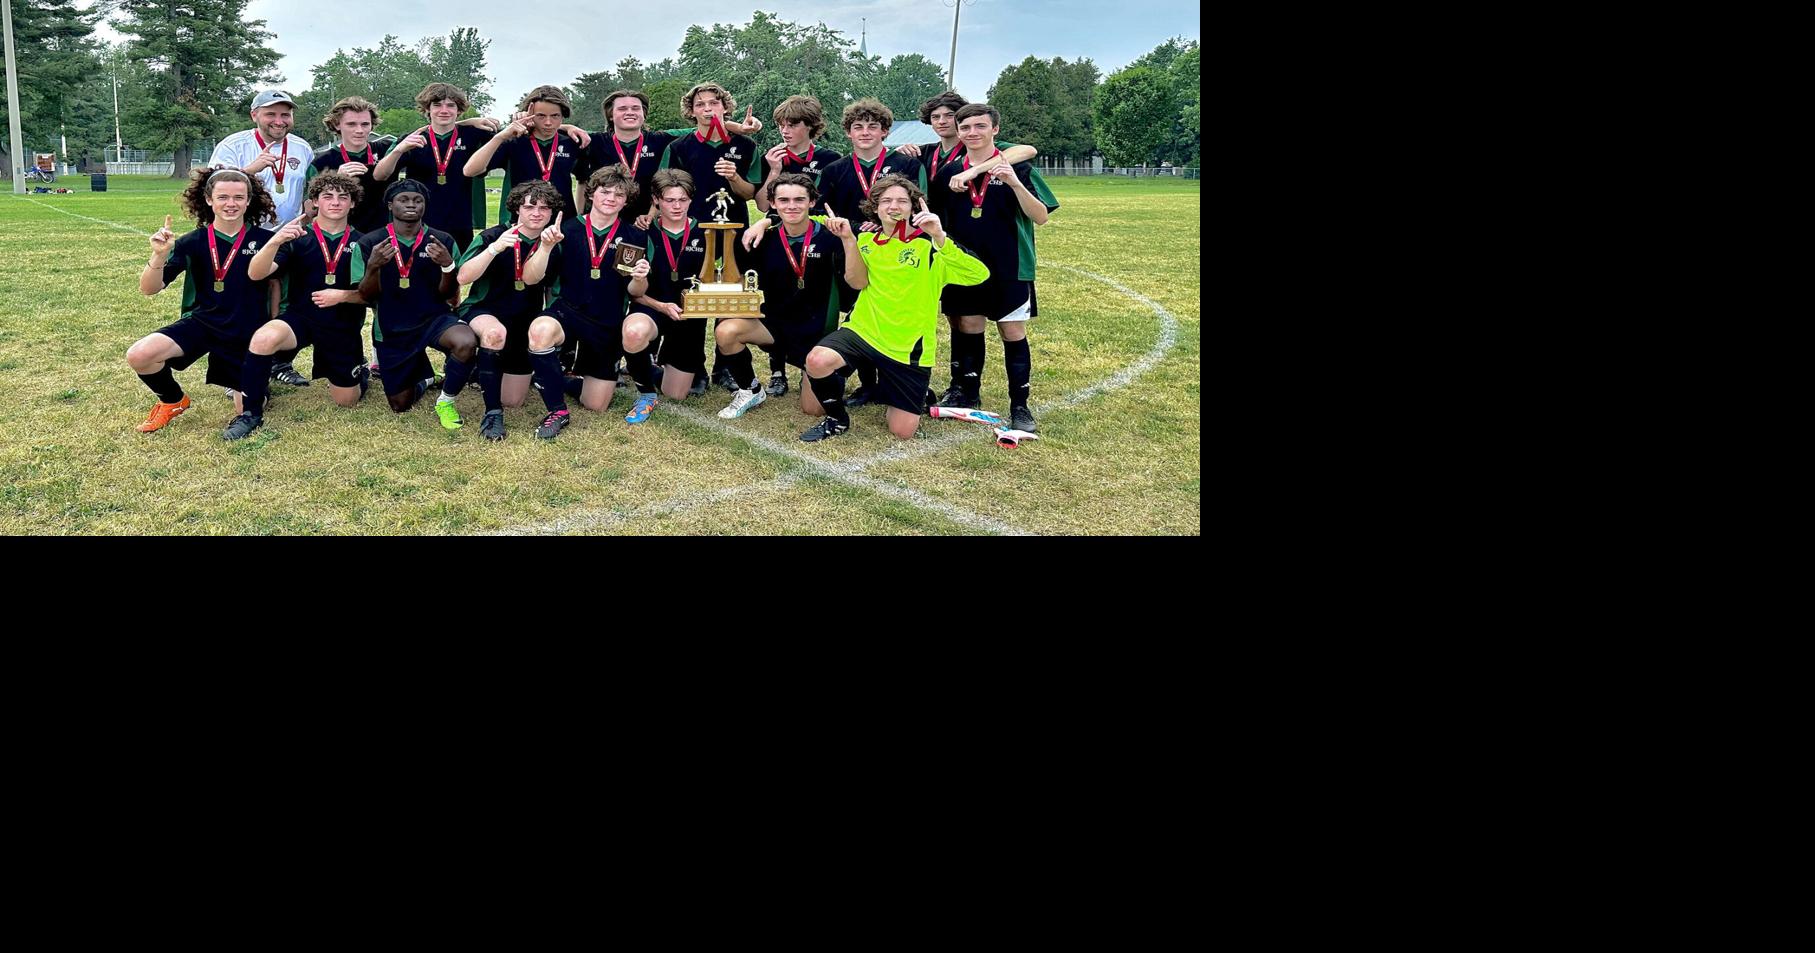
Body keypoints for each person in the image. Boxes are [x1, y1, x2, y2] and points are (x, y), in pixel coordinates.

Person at [797, 174, 987, 442]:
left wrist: (939, 235)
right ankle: (837, 417)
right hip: (863, 331)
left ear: (913, 207)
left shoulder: (930, 245)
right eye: (886, 200)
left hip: (908, 346)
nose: (893, 206)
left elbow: (978, 275)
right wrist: (848, 240)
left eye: (902, 201)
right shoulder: (865, 239)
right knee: (815, 372)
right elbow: (856, 280)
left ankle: (907, 391)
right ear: (875, 207)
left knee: (902, 432)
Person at [928, 103, 1059, 434]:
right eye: (966, 127)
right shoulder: (949, 174)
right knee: (968, 325)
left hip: (1009, 266)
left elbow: (1041, 217)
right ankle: (967, 393)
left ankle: (1020, 405)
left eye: (980, 126)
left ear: (994, 130)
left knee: (1012, 331)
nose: (973, 133)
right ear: (958, 133)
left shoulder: (1019, 168)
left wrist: (1014, 183)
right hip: (965, 267)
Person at [125, 169, 277, 435]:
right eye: (223, 197)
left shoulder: (266, 241)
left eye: (239, 197)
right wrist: (159, 256)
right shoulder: (191, 242)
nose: (231, 204)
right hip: (204, 322)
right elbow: (149, 288)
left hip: (246, 331)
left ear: (249, 200)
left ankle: (258, 378)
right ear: (209, 200)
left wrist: (271, 330)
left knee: (247, 408)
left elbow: (276, 287)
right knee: (140, 355)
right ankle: (172, 400)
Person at [806, 98, 927, 408]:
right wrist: (854, 228)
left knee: (890, 315)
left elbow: (920, 209)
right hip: (851, 253)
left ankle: (894, 380)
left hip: (896, 256)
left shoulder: (907, 164)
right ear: (848, 132)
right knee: (858, 316)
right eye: (858, 127)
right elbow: (818, 210)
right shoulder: (835, 169)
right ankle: (868, 385)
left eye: (873, 126)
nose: (865, 132)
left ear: (885, 131)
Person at [235, 171, 373, 440]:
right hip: (300, 319)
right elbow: (256, 274)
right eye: (327, 196)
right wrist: (275, 240)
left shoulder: (365, 242)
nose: (335, 202)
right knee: (263, 338)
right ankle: (250, 413)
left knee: (347, 401)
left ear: (353, 203)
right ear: (315, 202)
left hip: (341, 325)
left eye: (343, 197)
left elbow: (373, 294)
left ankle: (360, 370)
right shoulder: (297, 237)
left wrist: (343, 296)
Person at [522, 166, 655, 438]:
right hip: (567, 311)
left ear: (626, 200)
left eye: (619, 194)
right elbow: (530, 278)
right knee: (540, 331)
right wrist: (546, 247)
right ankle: (557, 411)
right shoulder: (566, 230)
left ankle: (559, 380)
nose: (611, 198)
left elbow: (635, 290)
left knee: (596, 405)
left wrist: (640, 277)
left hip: (606, 321)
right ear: (592, 193)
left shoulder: (634, 237)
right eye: (605, 191)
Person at [713, 173, 859, 420]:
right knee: (726, 330)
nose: (791, 206)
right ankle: (750, 389)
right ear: (773, 203)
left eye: (799, 199)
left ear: (812, 202)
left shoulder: (832, 237)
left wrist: (849, 240)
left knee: (813, 410)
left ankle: (825, 370)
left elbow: (857, 276)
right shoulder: (762, 238)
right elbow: (739, 279)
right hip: (774, 327)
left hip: (817, 332)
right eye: (784, 200)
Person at [208, 89, 316, 388]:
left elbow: (305, 188)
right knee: (244, 303)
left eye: (285, 114)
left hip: (288, 236)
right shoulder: (234, 145)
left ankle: (280, 362)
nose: (279, 121)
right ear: (254, 115)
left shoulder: (301, 147)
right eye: (271, 114)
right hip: (244, 238)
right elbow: (212, 185)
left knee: (286, 302)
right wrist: (249, 170)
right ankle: (236, 370)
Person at [353, 180, 476, 429]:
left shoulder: (442, 240)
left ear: (425, 205)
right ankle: (426, 378)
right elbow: (366, 296)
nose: (411, 204)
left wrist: (447, 266)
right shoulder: (370, 243)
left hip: (434, 319)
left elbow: (449, 294)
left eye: (417, 200)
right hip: (392, 326)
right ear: (390, 205)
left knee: (466, 342)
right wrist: (374, 266)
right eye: (404, 199)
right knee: (400, 405)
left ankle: (446, 401)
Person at [453, 180, 564, 440]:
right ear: (517, 209)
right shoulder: (493, 235)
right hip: (484, 311)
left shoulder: (554, 243)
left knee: (514, 399)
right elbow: (463, 277)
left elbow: (540, 284)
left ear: (552, 213)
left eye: (544, 208)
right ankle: (492, 414)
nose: (537, 213)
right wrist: (494, 249)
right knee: (494, 334)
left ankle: (481, 370)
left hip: (523, 320)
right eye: (530, 206)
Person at [373, 82, 504, 255]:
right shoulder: (413, 139)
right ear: (427, 109)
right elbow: (379, 174)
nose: (444, 110)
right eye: (437, 105)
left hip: (460, 220)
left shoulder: (475, 134)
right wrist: (399, 149)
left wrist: (469, 122)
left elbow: (511, 136)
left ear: (459, 110)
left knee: (455, 275)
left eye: (451, 105)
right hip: (420, 220)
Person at [631, 169, 712, 407]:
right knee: (634, 331)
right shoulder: (640, 232)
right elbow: (631, 292)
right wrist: (661, 306)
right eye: (669, 200)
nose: (677, 206)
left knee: (675, 394)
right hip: (652, 307)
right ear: (656, 200)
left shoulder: (706, 231)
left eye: (683, 200)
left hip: (689, 315)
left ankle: (667, 363)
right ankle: (644, 368)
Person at [461, 85, 594, 222]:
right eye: (541, 116)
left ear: (563, 116)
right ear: (530, 115)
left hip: (561, 222)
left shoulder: (573, 142)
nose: (548, 122)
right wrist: (499, 137)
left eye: (555, 116)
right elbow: (470, 171)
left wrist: (578, 215)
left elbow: (582, 179)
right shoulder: (513, 141)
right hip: (519, 222)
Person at [306, 96, 391, 233]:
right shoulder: (321, 162)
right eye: (351, 124)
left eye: (365, 124)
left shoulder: (387, 151)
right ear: (337, 124)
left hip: (383, 234)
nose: (359, 130)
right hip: (341, 238)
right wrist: (335, 180)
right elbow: (310, 209)